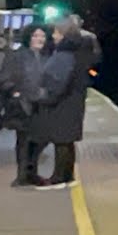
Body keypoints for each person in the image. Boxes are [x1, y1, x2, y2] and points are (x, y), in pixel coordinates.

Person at [33, 17, 99, 189]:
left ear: (63, 34)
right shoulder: (79, 51)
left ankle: (59, 177)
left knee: (61, 140)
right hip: (73, 102)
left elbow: (58, 82)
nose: (53, 36)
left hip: (62, 104)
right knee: (67, 141)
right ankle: (67, 176)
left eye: (56, 32)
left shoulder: (64, 54)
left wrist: (44, 97)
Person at [0, 24, 52, 187]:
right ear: (28, 37)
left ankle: (31, 172)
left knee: (41, 139)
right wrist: (14, 92)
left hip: (42, 104)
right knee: (24, 141)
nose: (39, 39)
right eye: (35, 36)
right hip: (23, 105)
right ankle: (22, 176)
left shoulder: (48, 56)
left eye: (42, 36)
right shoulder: (17, 56)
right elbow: (3, 79)